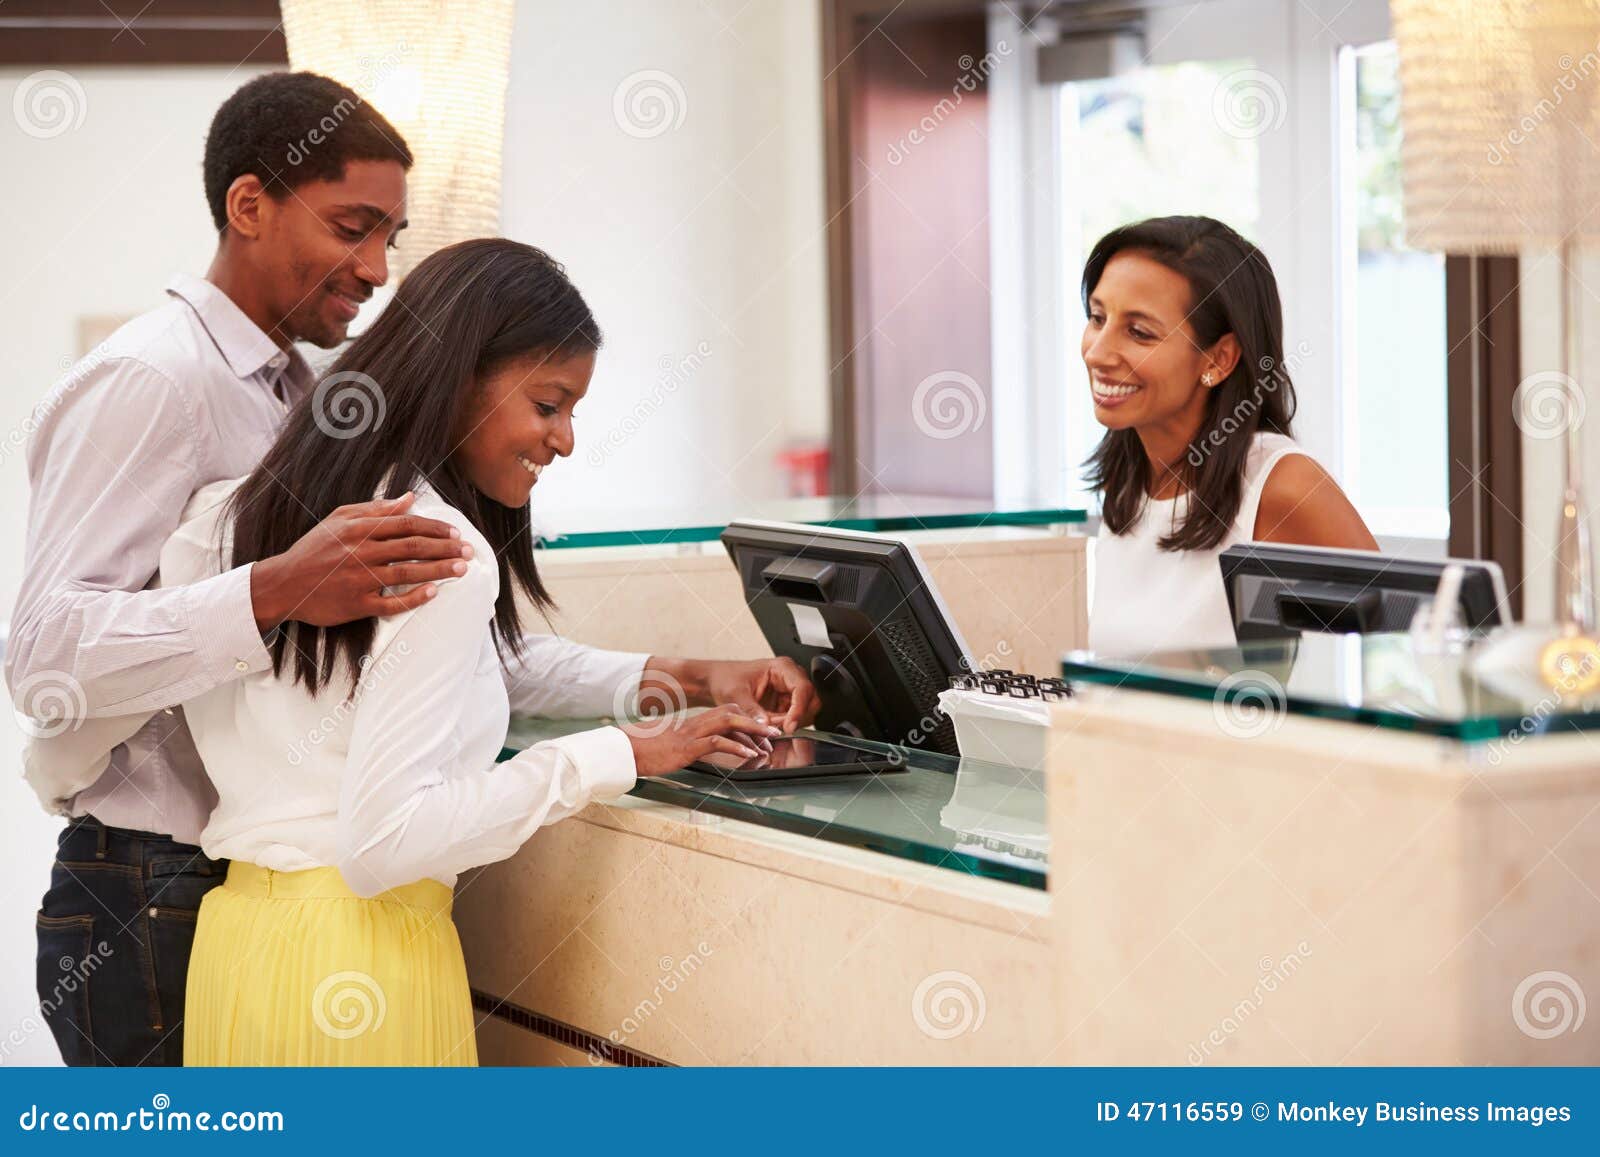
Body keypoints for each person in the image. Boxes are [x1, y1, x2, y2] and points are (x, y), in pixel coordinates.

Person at [13, 72, 817, 1068]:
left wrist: (671, 675)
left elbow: (414, 656)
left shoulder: (313, 405)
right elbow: (43, 651)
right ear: (249, 204)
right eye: (354, 226)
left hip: (235, 904)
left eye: (391, 237)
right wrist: (277, 587)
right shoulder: (154, 381)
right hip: (148, 883)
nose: (376, 267)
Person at [161, 237, 779, 1066]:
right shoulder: (441, 551)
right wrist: (615, 755)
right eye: (550, 404)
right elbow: (388, 842)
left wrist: (668, 678)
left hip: (238, 955)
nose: (564, 440)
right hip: (366, 968)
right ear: (460, 377)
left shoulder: (229, 514)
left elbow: (443, 671)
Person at [1081, 216, 1376, 656]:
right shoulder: (1126, 478)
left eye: (1139, 332)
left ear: (1218, 359)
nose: (1098, 352)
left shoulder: (1281, 485)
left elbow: (1395, 653)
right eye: (1098, 318)